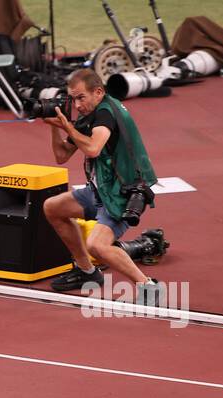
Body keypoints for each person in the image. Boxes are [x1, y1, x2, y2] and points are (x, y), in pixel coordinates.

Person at [41, 68, 161, 305]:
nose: (76, 105)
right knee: (53, 207)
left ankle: (148, 286)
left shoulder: (106, 113)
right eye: (72, 99)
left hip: (122, 194)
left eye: (80, 98)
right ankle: (86, 273)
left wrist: (69, 127)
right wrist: (54, 125)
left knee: (97, 245)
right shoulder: (90, 114)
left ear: (98, 92)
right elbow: (61, 156)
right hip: (100, 190)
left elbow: (93, 148)